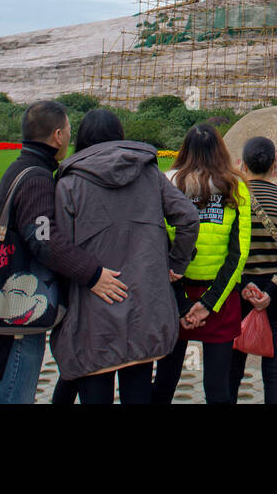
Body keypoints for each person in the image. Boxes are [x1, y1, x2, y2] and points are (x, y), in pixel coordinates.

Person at [0, 102, 138, 404]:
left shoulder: (23, 166)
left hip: (8, 299)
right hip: (20, 308)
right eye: (66, 130)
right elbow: (43, 239)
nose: (68, 137)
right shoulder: (38, 176)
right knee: (13, 391)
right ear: (57, 136)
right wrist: (93, 275)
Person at [47, 109, 199, 404]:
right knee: (139, 390)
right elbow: (188, 218)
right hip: (144, 306)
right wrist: (175, 264)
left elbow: (61, 249)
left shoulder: (68, 183)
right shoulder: (149, 174)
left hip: (93, 309)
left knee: (95, 388)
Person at [152, 123, 251, 404]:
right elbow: (239, 252)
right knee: (218, 387)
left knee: (164, 381)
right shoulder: (236, 185)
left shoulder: (167, 182)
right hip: (219, 294)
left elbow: (159, 244)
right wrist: (209, 303)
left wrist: (183, 302)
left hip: (174, 291)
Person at [228, 136, 277, 404]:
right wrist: (271, 290)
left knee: (231, 372)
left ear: (243, 164)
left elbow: (228, 249)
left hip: (237, 294)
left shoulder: (232, 198)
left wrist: (245, 284)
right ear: (275, 164)